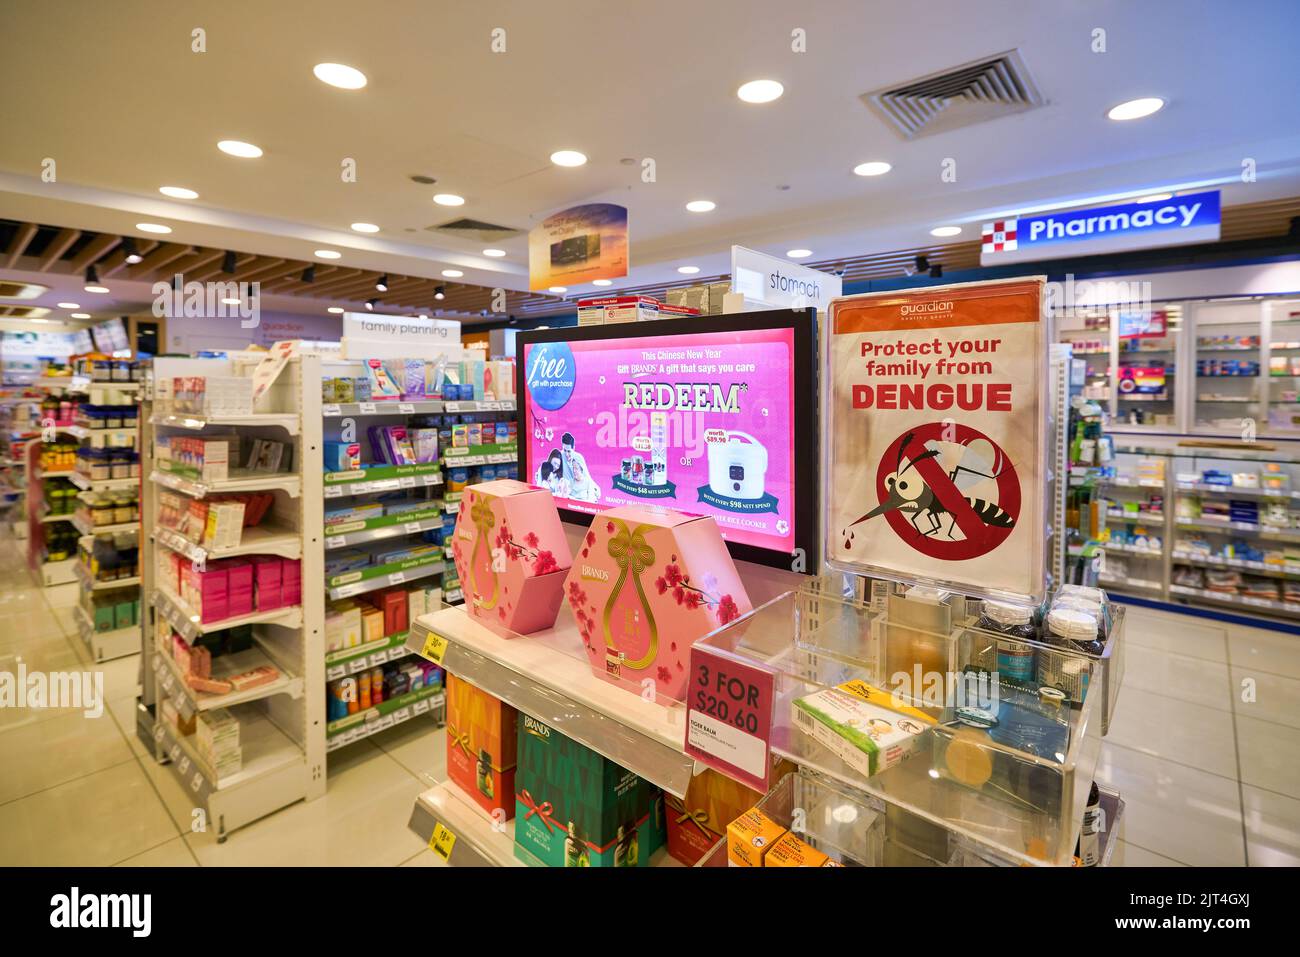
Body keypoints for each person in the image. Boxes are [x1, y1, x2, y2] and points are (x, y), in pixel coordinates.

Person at [561, 432, 600, 502]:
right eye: (565, 450)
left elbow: (587, 476)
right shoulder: (560, 456)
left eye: (569, 451)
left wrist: (596, 488)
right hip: (567, 492)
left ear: (574, 448)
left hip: (580, 491)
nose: (566, 454)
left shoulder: (578, 457)